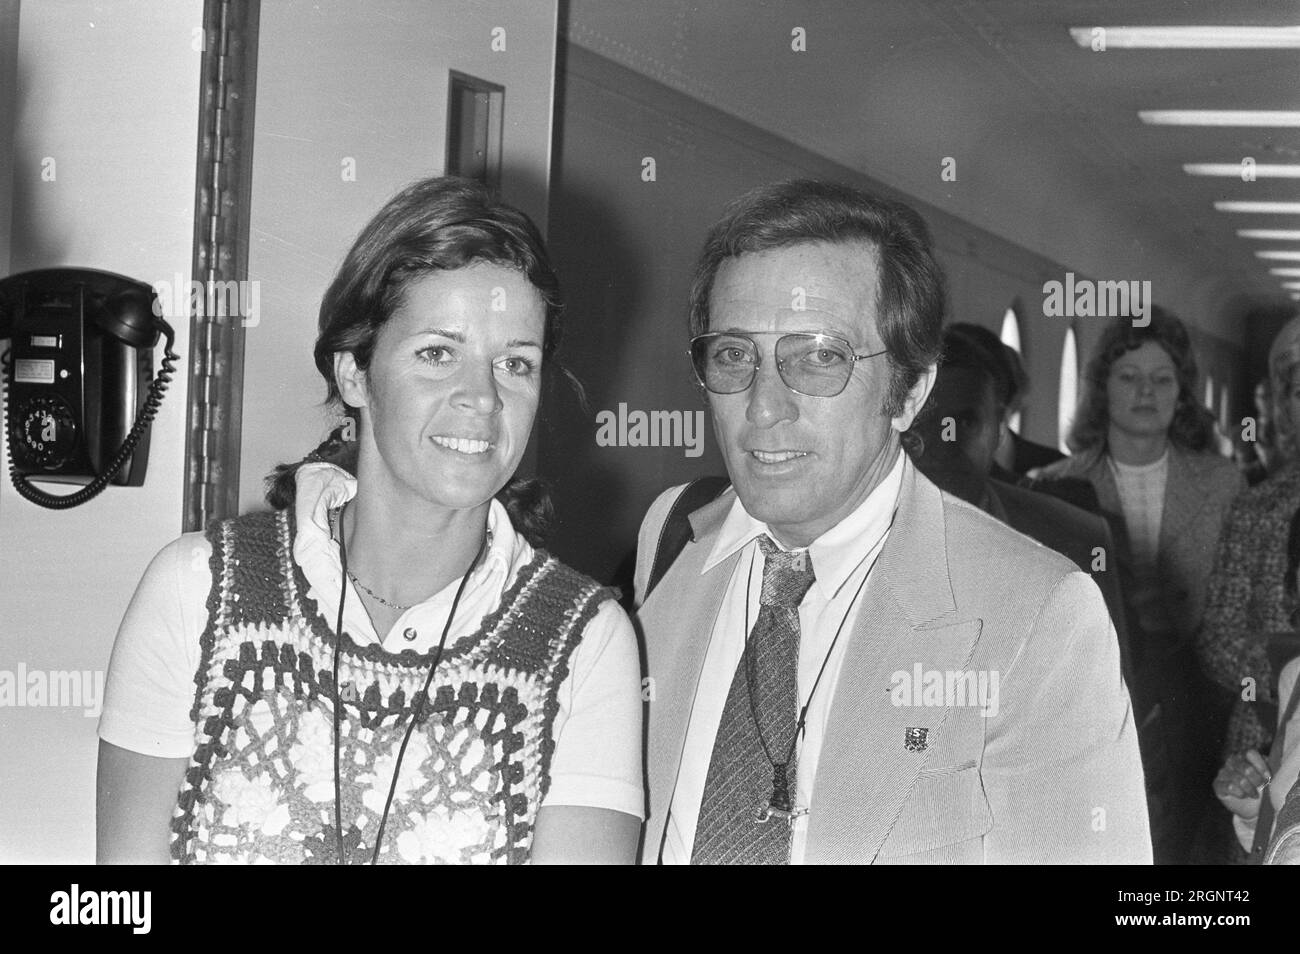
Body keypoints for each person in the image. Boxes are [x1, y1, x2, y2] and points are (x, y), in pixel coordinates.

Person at [96, 177, 644, 864]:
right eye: (438, 353)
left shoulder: (587, 641)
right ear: (355, 373)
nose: (481, 398)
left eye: (515, 363)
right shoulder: (195, 589)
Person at [632, 178, 1149, 864]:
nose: (763, 407)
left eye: (818, 357)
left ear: (909, 393)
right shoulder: (670, 540)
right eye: (734, 356)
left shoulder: (1036, 616)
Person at [1035, 308, 1245, 864]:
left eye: (1162, 379)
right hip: (1097, 696)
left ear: (1183, 393)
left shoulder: (1224, 486)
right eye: (1129, 377)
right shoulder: (1054, 488)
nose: (1145, 392)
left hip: (1200, 698)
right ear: (1104, 387)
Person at [906, 325, 1134, 686]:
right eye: (923, 420)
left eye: (965, 421)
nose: (942, 441)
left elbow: (1108, 705)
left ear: (999, 429)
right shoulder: (847, 536)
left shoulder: (1076, 539)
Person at [1201, 315, 1300, 859]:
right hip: (1260, 747)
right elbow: (1218, 636)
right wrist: (1288, 678)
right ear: (1286, 407)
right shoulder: (1257, 509)